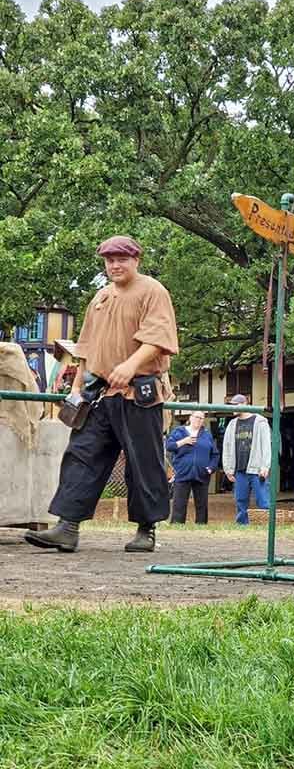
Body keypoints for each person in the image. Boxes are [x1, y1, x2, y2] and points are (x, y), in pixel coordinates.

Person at [24, 236, 178, 553]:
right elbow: (85, 347)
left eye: (122, 259)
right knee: (82, 454)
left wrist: (131, 365)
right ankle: (67, 527)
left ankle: (146, 530)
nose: (115, 265)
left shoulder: (153, 291)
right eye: (109, 260)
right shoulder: (101, 296)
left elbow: (158, 339)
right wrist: (77, 387)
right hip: (100, 393)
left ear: (136, 260)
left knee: (143, 462)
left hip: (139, 393)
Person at [222, 394, 271, 525]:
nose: (232, 408)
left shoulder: (260, 421)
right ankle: (242, 526)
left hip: (257, 469)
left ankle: (266, 526)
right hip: (239, 470)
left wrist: (265, 466)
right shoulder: (232, 424)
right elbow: (226, 447)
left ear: (244, 404)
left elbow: (266, 445)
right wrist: (228, 469)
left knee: (263, 500)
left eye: (235, 405)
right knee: (240, 501)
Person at [166, 411, 220, 524]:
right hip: (183, 473)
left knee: (202, 504)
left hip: (202, 474)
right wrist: (184, 441)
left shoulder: (207, 435)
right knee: (179, 503)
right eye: (196, 417)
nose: (199, 420)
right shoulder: (179, 431)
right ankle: (177, 525)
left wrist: (210, 468)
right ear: (190, 418)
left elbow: (215, 454)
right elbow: (169, 446)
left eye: (201, 418)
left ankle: (201, 525)